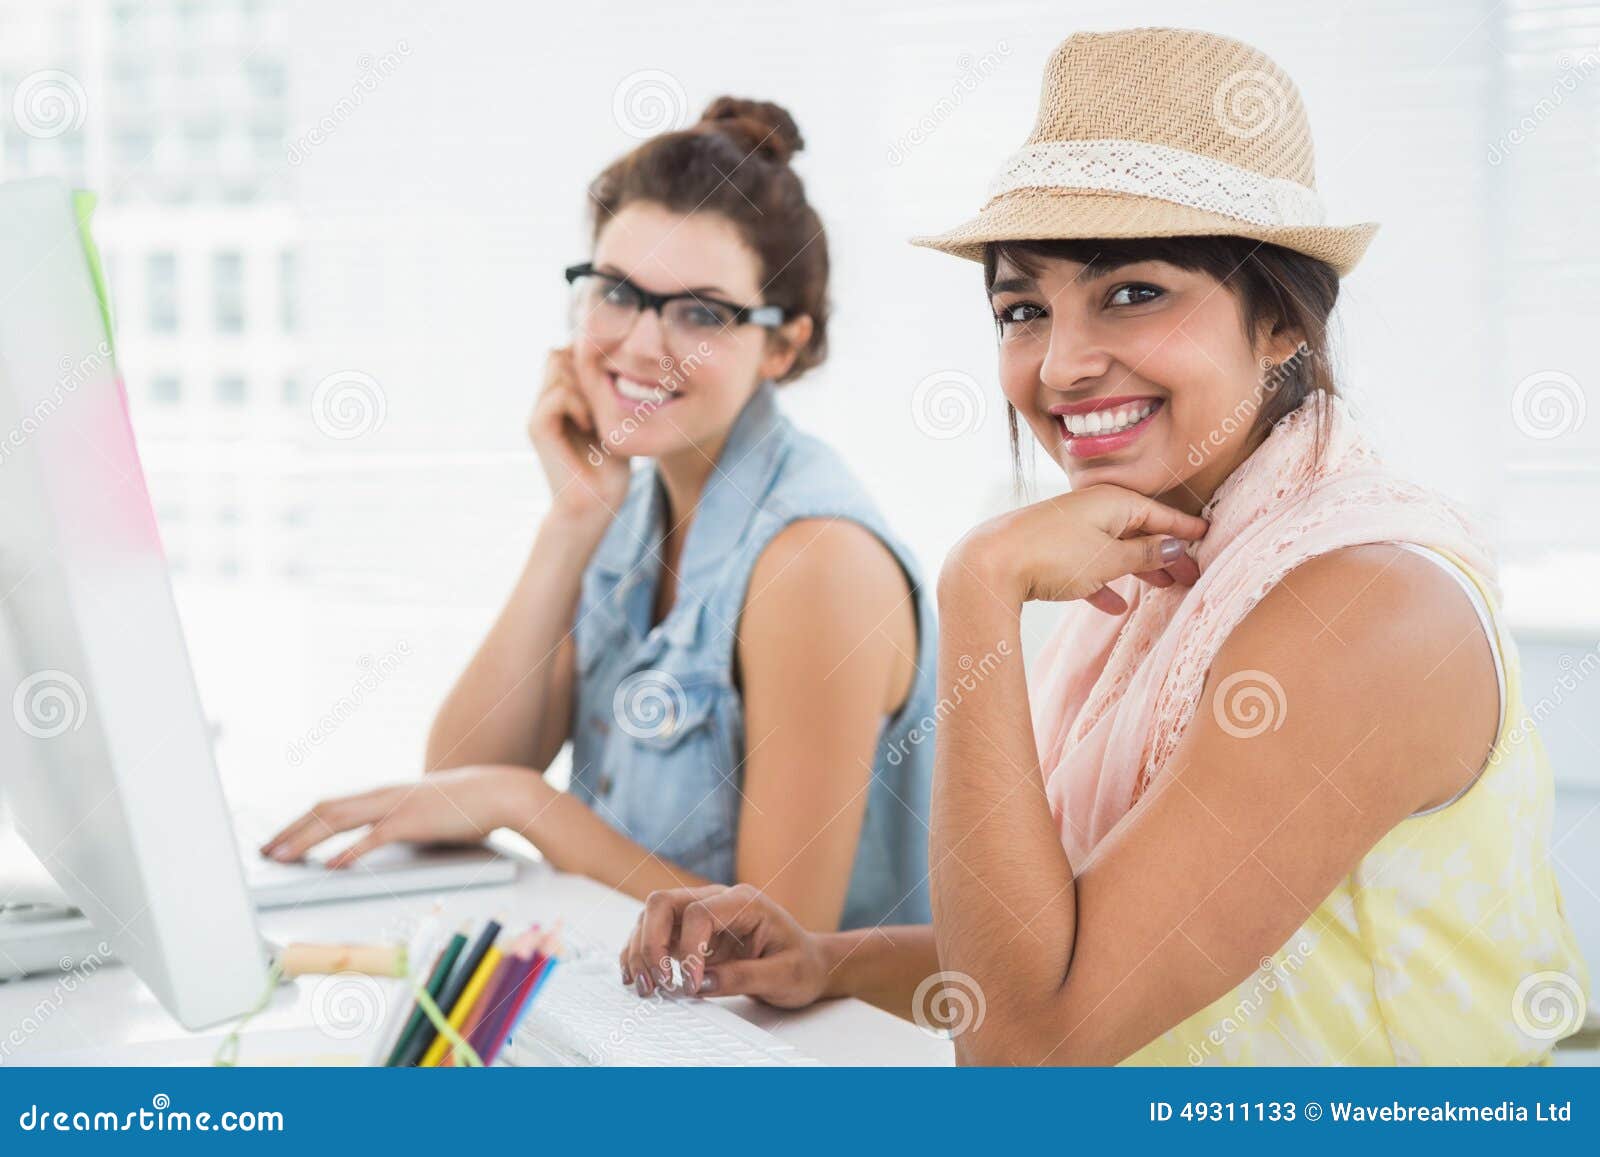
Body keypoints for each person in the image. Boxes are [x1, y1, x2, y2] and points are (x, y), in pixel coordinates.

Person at [619, 29, 1589, 1064]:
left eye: (1133, 291)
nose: (1063, 364)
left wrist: (978, 582)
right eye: (1022, 308)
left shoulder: (1364, 606)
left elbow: (1030, 1047)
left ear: (1282, 321)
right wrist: (832, 957)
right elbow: (1072, 946)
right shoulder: (1169, 558)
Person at [262, 97, 937, 933]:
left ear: (782, 345)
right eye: (617, 290)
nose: (642, 344)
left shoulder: (818, 562)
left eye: (700, 312)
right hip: (647, 1014)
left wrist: (527, 805)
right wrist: (572, 523)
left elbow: (773, 938)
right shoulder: (633, 500)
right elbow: (458, 781)